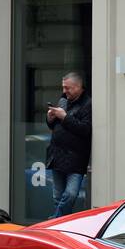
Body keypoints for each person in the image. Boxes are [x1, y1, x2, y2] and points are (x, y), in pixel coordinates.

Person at [45, 71, 92, 219]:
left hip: (75, 158)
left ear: (78, 87)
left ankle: (54, 221)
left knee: (70, 194)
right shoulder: (63, 100)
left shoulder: (88, 104)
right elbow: (55, 128)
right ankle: (59, 225)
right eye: (63, 87)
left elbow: (85, 129)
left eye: (68, 88)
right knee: (57, 196)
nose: (64, 91)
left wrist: (64, 117)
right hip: (57, 155)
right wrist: (50, 119)